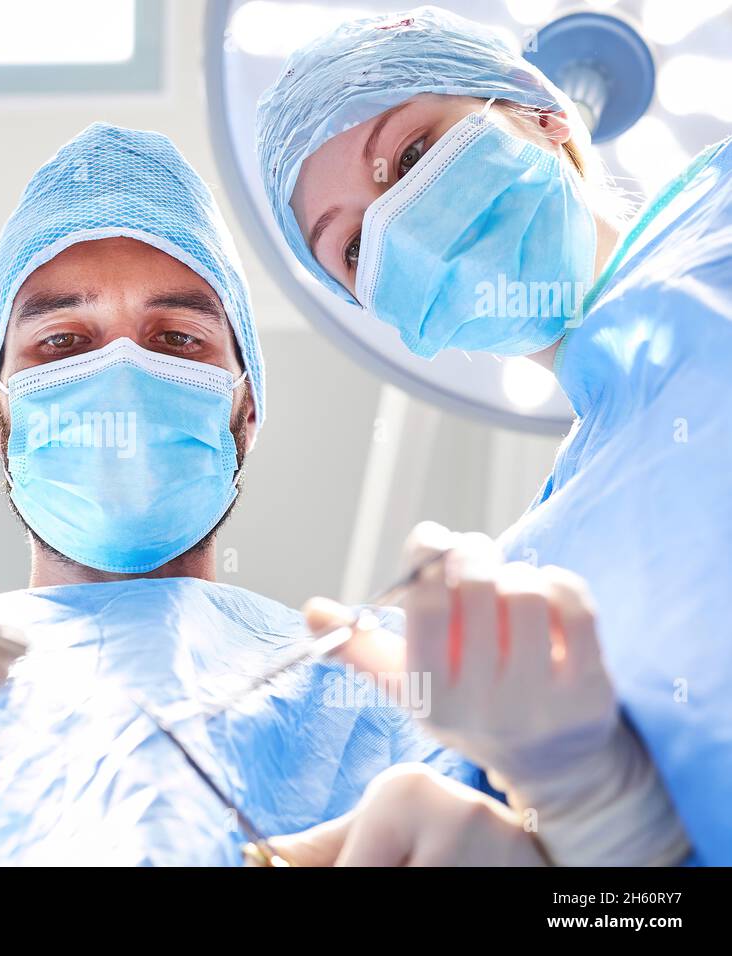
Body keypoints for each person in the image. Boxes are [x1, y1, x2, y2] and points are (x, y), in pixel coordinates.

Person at [0, 124, 673, 867]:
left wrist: (593, 827)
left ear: (242, 413)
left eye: (179, 339)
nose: (121, 371)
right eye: (61, 343)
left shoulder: (395, 683)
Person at [256, 5, 732, 863]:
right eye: (358, 248)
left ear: (544, 112)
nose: (402, 224)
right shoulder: (517, 596)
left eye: (411, 154)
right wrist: (605, 832)